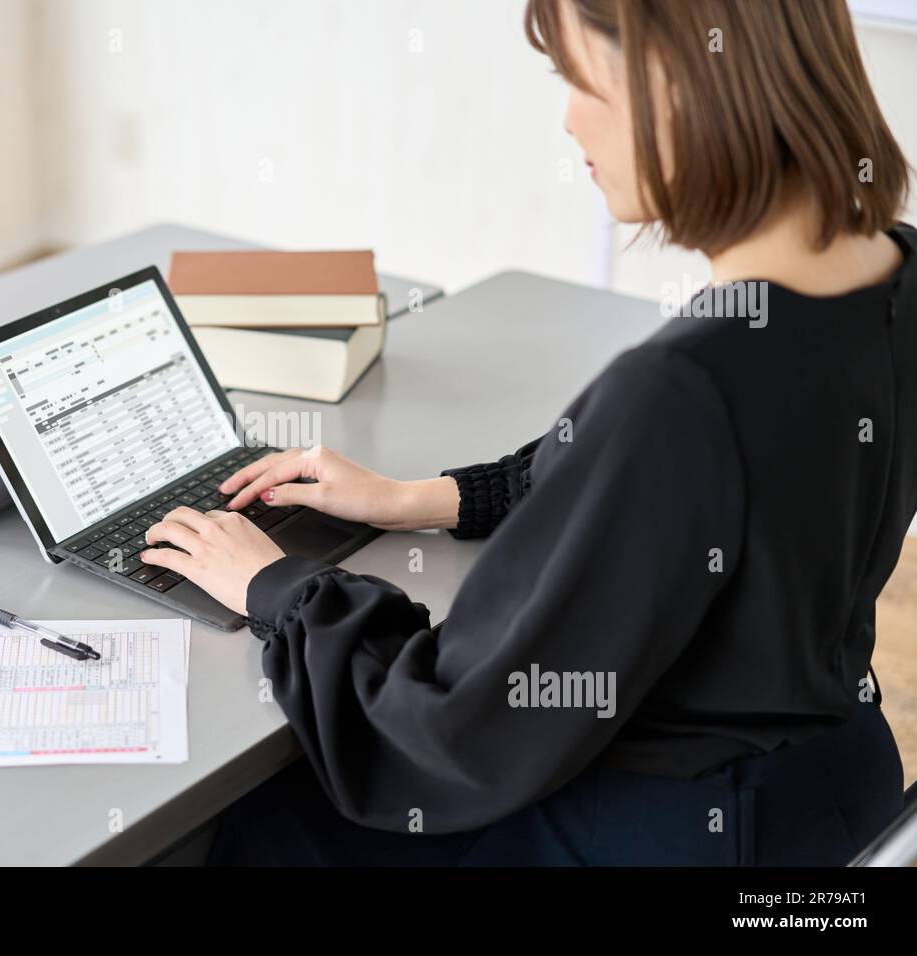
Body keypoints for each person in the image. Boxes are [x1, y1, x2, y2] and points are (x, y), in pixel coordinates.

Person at [137, 0, 915, 865]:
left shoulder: (681, 392)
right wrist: (416, 499)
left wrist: (277, 588)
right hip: (842, 788)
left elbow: (449, 729)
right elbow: (653, 493)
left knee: (259, 825)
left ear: (679, 89)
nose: (569, 118)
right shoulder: (894, 279)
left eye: (582, 82)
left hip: (678, 837)